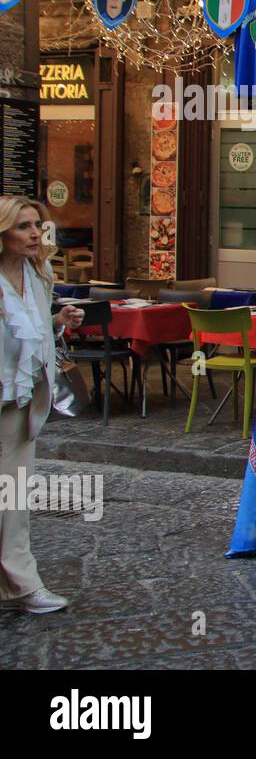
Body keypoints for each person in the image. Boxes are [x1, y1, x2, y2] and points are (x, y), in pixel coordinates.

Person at [1, 196, 85, 614]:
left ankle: (22, 586)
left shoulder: (39, 276)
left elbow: (32, 337)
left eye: (37, 225)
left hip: (17, 402)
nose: (35, 233)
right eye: (23, 227)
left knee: (13, 499)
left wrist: (58, 322)